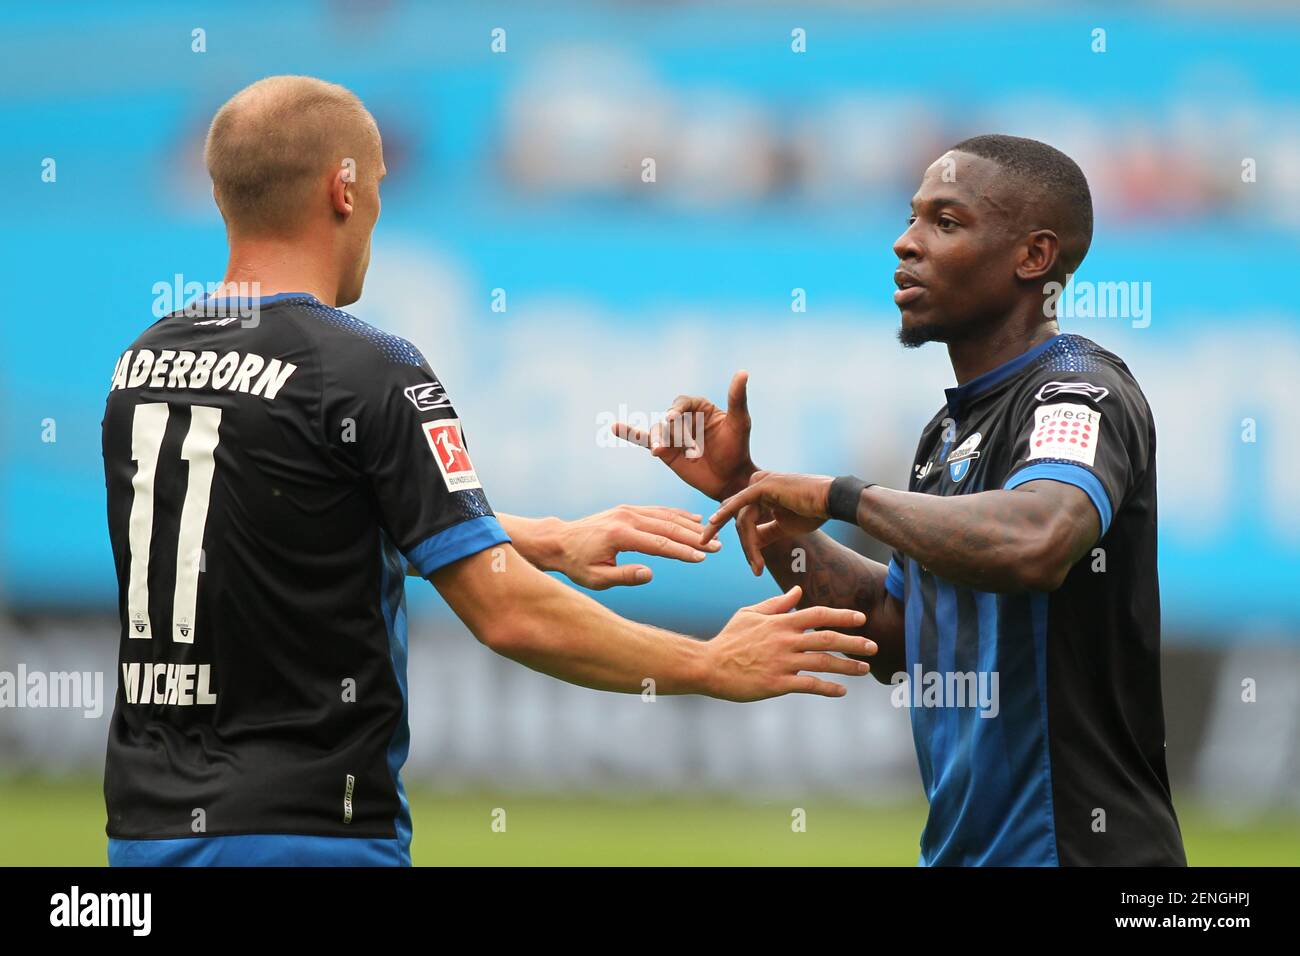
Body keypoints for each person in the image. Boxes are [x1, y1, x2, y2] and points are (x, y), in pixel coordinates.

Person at [100, 75, 872, 867]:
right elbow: (508, 616)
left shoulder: (147, 363)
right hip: (305, 834)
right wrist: (709, 661)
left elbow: (299, 530)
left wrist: (539, 538)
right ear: (344, 187)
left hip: (144, 833)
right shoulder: (367, 368)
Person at [617, 135, 1186, 866]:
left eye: (945, 223)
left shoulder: (1078, 390)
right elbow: (893, 633)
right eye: (913, 218)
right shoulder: (946, 433)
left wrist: (844, 496)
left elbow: (1039, 539)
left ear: (1034, 258)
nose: (905, 243)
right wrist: (745, 489)